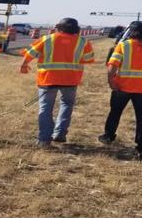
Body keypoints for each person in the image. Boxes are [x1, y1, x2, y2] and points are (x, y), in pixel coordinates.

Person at [19, 18, 97, 148]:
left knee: (45, 108)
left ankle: (44, 139)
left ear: (58, 27)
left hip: (48, 79)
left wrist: (24, 65)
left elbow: (30, 53)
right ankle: (60, 133)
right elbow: (88, 59)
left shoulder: (47, 39)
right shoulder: (83, 42)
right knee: (67, 105)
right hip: (71, 79)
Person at [98, 22, 142, 157]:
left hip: (122, 87)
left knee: (115, 112)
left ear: (131, 32)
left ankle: (108, 136)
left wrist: (111, 80)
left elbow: (113, 65)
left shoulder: (124, 45)